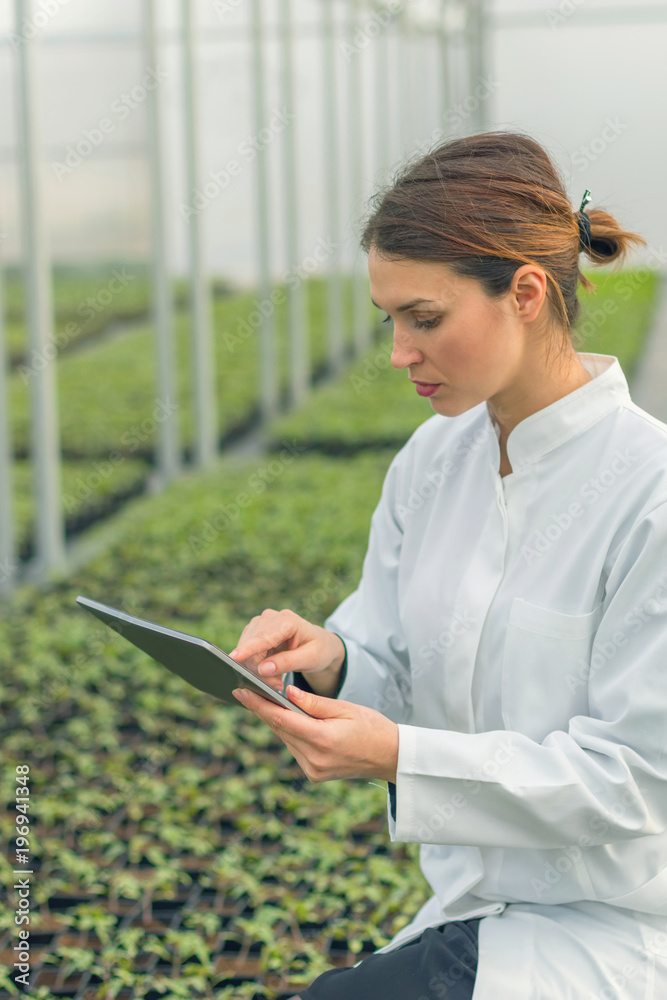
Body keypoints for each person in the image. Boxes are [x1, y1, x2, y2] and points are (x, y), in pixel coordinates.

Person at [227, 131, 667, 999]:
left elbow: (634, 782)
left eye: (424, 319)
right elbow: (389, 655)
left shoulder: (647, 495)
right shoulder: (432, 463)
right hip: (471, 909)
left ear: (526, 294)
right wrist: (329, 663)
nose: (398, 352)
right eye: (389, 319)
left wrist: (401, 757)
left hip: (612, 928)